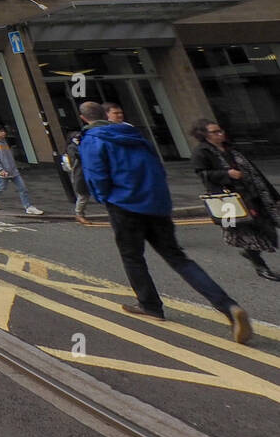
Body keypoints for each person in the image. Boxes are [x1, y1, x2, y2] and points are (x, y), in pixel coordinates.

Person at [79, 101, 250, 342]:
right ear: (106, 115)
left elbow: (97, 174)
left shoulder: (92, 140)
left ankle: (150, 305)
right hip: (156, 203)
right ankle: (229, 307)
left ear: (84, 118)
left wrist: (103, 197)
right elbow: (158, 168)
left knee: (132, 257)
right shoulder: (134, 135)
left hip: (124, 205)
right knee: (178, 258)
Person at [191, 118, 280, 281]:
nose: (221, 134)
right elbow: (202, 174)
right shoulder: (201, 152)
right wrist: (226, 174)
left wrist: (274, 196)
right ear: (204, 135)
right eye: (215, 132)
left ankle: (250, 252)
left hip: (254, 194)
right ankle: (260, 266)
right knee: (246, 231)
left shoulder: (231, 148)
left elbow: (255, 173)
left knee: (268, 229)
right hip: (230, 200)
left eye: (221, 130)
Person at [0, 125, 43, 215]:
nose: (4, 133)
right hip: (2, 171)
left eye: (4, 131)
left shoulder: (4, 141)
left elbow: (8, 155)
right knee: (2, 186)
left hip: (12, 170)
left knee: (23, 188)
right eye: (1, 131)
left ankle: (28, 206)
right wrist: (0, 169)